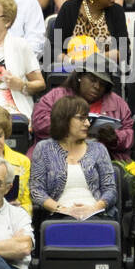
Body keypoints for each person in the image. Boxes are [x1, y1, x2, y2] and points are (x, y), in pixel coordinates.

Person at [30, 93, 116, 221]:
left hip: (95, 213)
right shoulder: (44, 149)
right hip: (58, 214)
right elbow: (36, 191)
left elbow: (110, 190)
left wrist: (93, 208)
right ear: (64, 119)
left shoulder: (98, 149)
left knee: (94, 225)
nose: (87, 123)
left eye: (87, 118)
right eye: (81, 118)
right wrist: (63, 209)